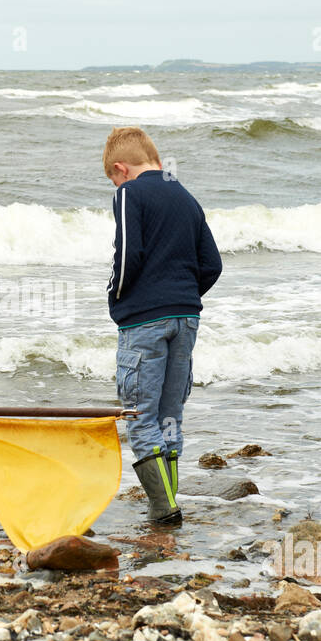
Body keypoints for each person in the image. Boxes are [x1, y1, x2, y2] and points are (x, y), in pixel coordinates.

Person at [104, 126, 222, 525]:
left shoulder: (128, 194)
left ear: (121, 169)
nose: (116, 184)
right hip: (186, 318)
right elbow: (212, 264)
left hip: (144, 321)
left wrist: (117, 299)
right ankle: (168, 499)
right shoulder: (185, 196)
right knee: (170, 414)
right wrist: (184, 296)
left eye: (114, 177)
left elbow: (127, 257)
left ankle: (164, 507)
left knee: (139, 414)